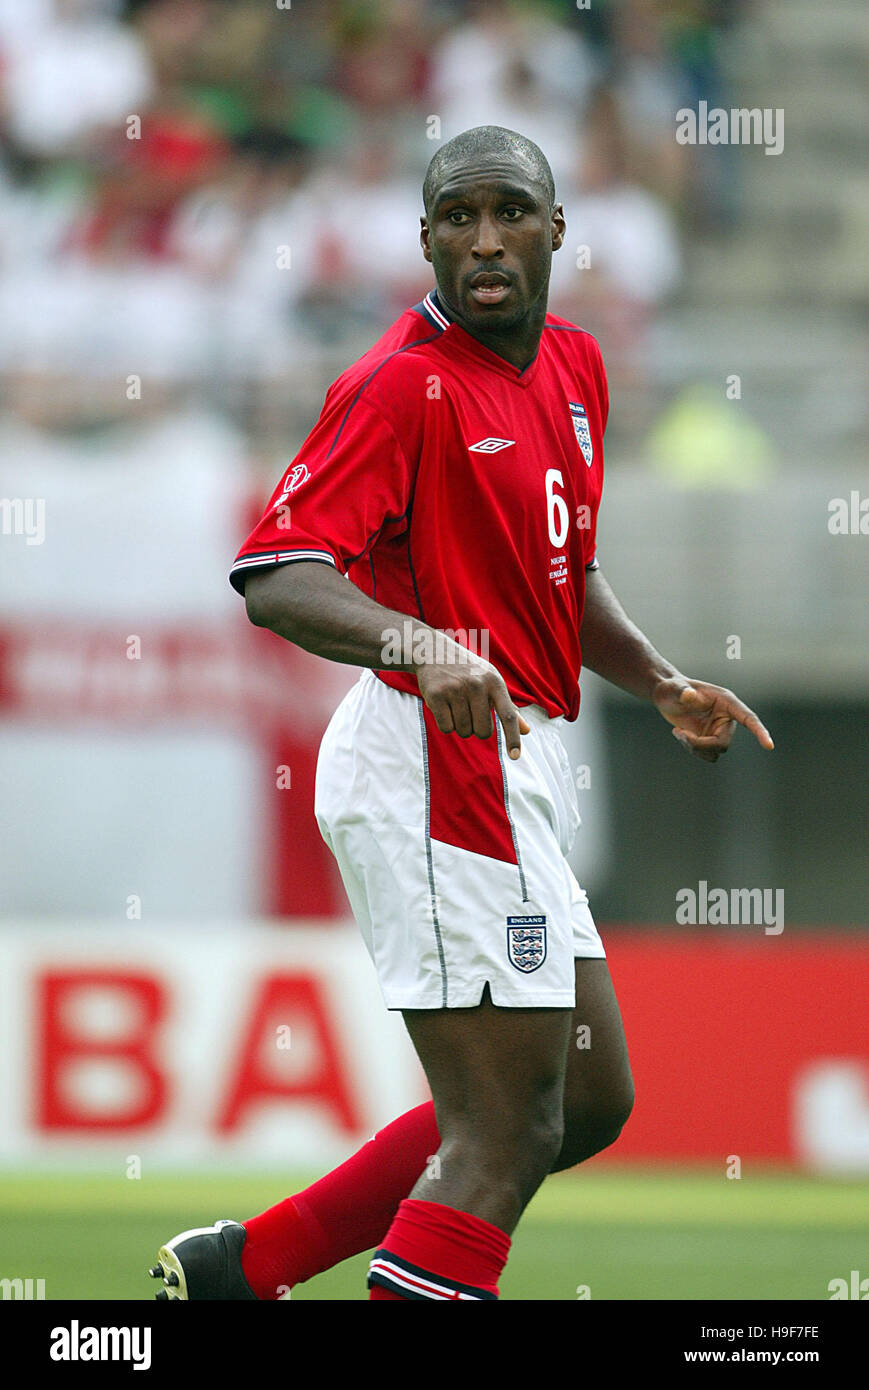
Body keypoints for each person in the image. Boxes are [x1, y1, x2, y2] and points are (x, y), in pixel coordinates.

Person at [149, 125, 773, 1302]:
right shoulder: (397, 386)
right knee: (497, 1136)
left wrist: (654, 679)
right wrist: (418, 641)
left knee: (582, 1096)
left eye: (510, 213)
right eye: (457, 218)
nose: (484, 241)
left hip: (507, 767)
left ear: (555, 231)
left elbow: (560, 571)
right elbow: (276, 573)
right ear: (425, 239)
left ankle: (250, 1266)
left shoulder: (576, 368)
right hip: (426, 764)